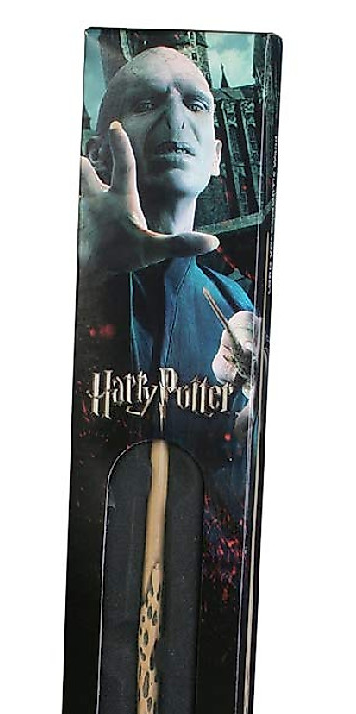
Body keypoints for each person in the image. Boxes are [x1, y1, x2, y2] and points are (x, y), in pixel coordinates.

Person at [77, 46, 258, 452]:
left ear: (216, 157)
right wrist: (88, 277)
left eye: (195, 104)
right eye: (146, 104)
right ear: (97, 154)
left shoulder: (236, 306)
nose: (175, 118)